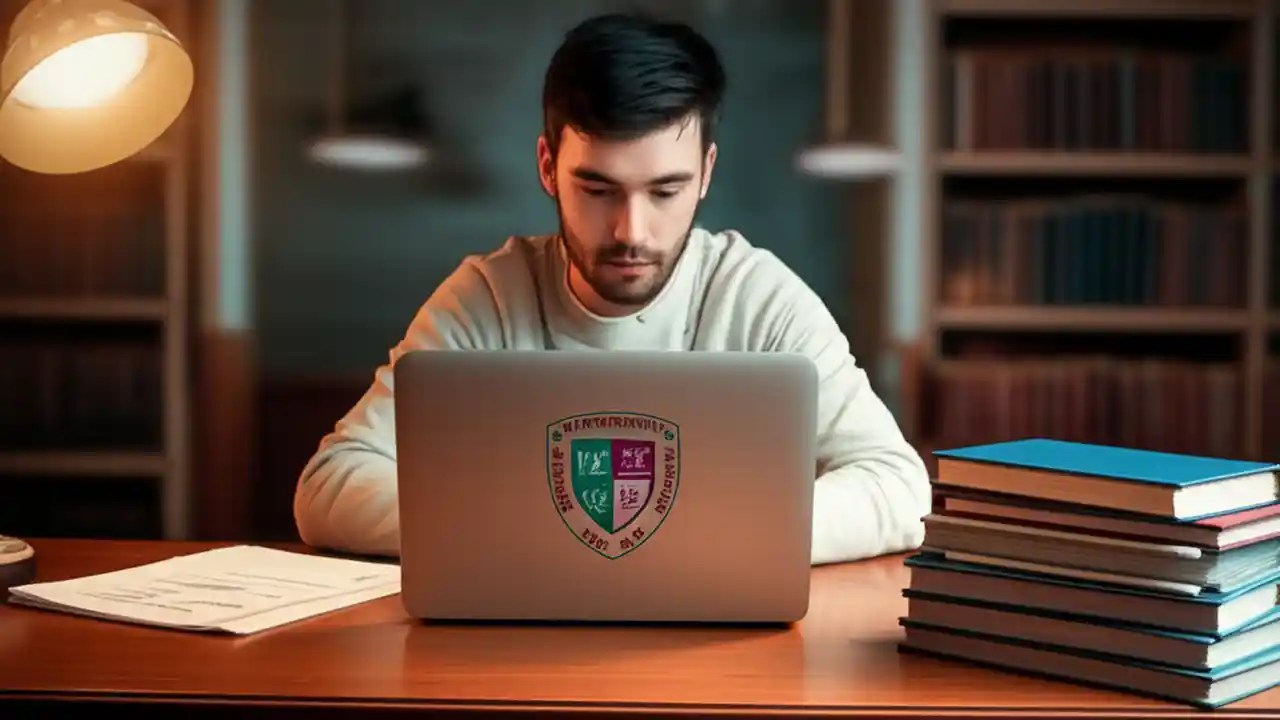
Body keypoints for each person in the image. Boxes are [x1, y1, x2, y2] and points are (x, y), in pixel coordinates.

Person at [293, 12, 930, 565]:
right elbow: (331, 486)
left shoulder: (759, 298)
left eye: (665, 191)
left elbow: (897, 487)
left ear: (706, 173)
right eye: (598, 190)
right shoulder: (485, 299)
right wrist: (560, 534)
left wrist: (700, 537)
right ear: (548, 166)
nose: (632, 231)